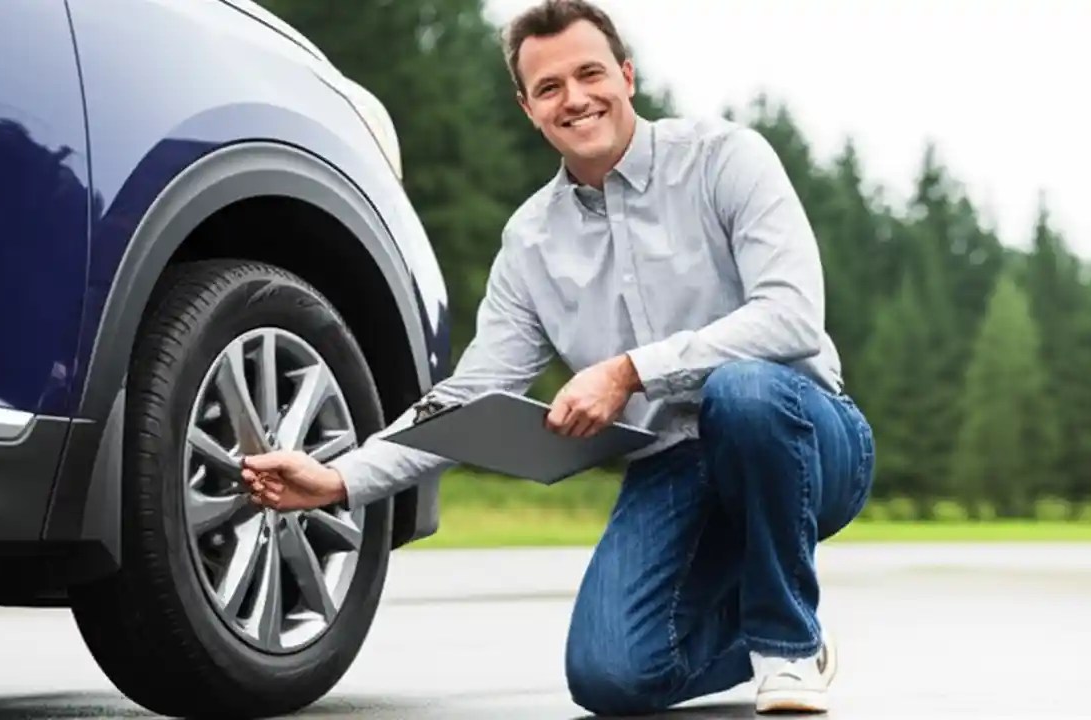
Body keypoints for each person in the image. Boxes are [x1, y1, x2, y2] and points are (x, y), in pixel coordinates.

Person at [241, 0, 874, 715]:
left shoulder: (726, 159)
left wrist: (629, 371)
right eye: (549, 88)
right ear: (528, 108)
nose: (574, 98)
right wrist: (336, 478)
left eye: (590, 73)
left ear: (627, 75)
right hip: (674, 467)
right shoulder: (532, 242)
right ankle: (786, 634)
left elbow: (790, 316)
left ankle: (785, 648)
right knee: (610, 679)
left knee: (744, 392)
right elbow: (468, 399)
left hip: (807, 440)